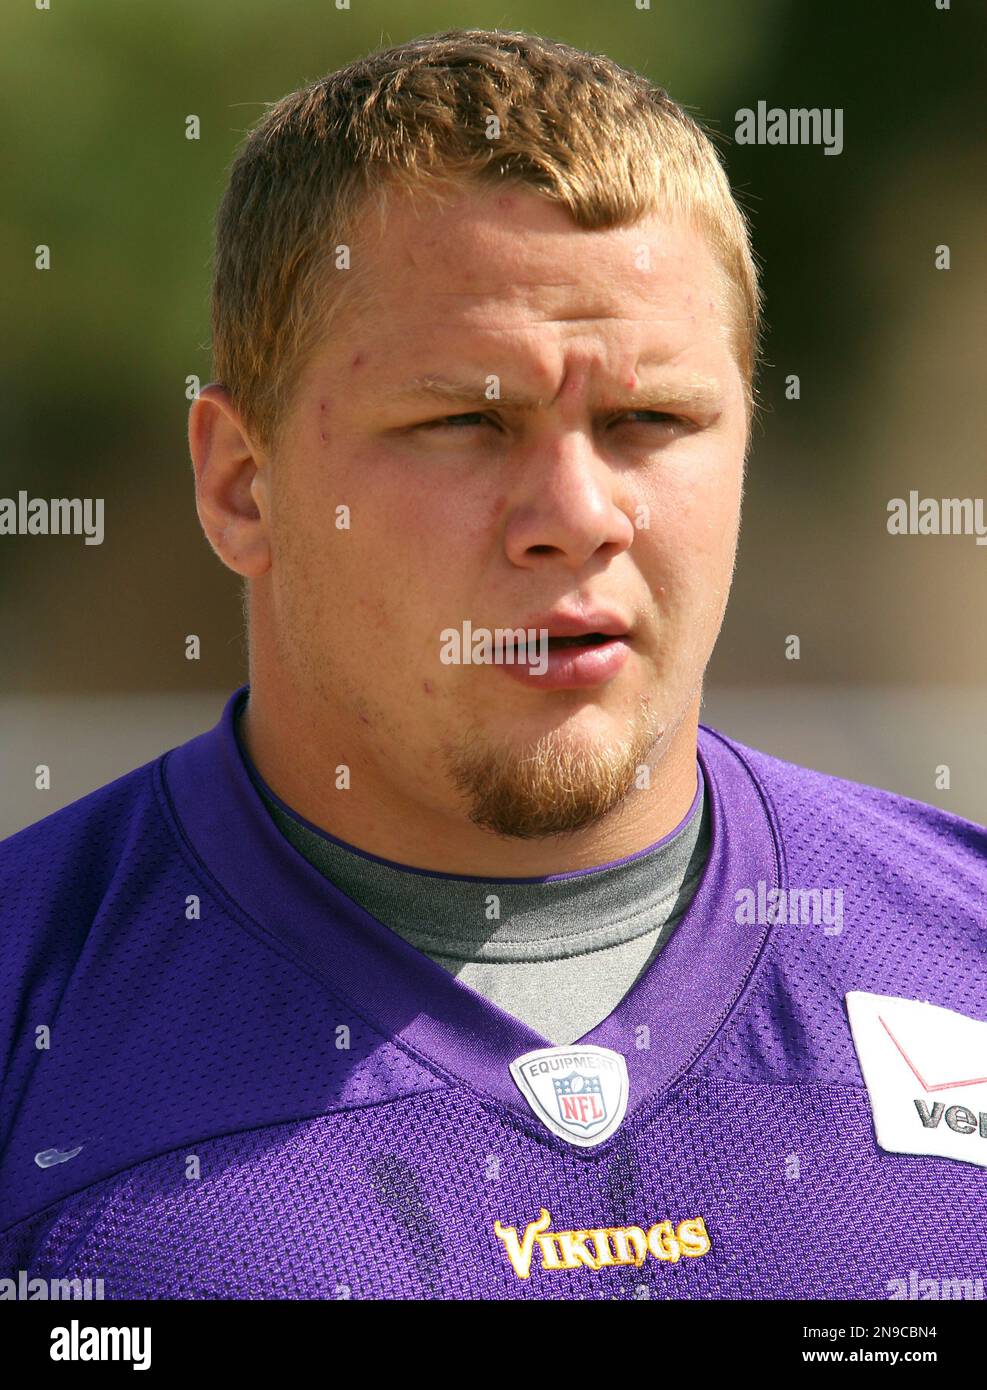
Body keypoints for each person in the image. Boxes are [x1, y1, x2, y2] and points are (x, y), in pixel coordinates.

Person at [1, 29, 984, 1300]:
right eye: (465, 421)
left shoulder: (957, 955)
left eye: (653, 420)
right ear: (243, 485)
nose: (576, 513)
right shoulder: (39, 1005)